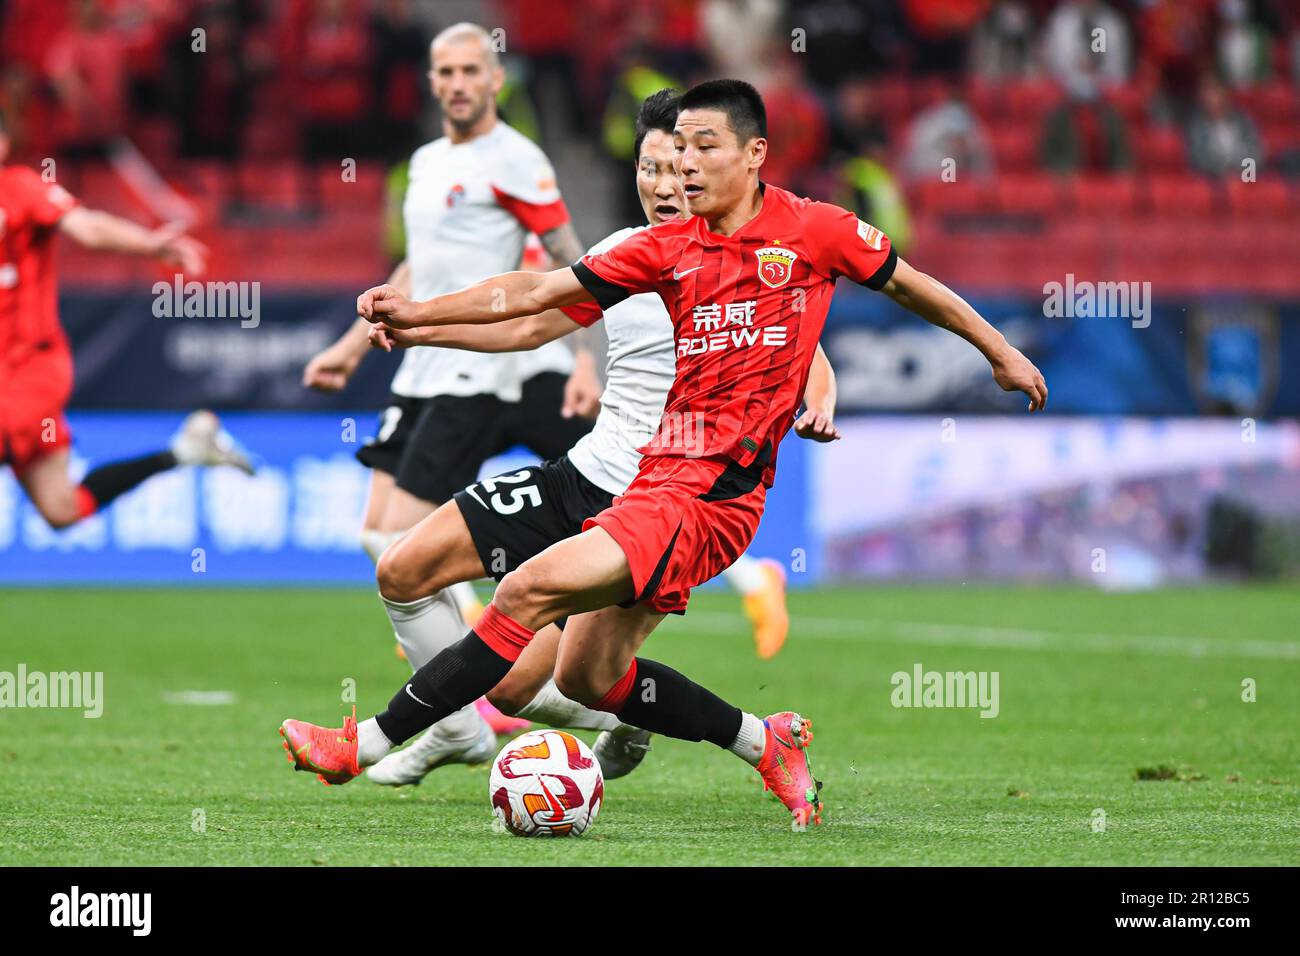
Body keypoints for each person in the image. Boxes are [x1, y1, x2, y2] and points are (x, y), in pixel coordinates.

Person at [282, 79, 1047, 828]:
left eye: (700, 147)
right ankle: (763, 740)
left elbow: (910, 287)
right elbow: (530, 298)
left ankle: (366, 742)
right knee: (586, 675)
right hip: (648, 479)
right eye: (672, 150)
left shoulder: (815, 230)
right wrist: (419, 314)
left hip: (710, 496)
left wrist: (999, 351)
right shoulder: (662, 247)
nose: (681, 165)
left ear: (753, 154)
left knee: (524, 595)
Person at [358, 89, 830, 787]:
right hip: (586, 475)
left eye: (678, 168)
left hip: (663, 505)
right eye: (649, 168)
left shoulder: (751, 262)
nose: (664, 185)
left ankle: (735, 734)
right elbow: (526, 324)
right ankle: (531, 724)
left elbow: (809, 352)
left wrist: (820, 399)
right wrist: (418, 327)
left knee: (574, 672)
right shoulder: (621, 254)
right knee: (496, 668)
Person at [301, 22, 602, 654]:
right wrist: (350, 348)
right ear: (431, 81)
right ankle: (479, 665)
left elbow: (569, 264)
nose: (458, 83)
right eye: (446, 72)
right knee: (378, 537)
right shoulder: (426, 162)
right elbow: (419, 269)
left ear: (496, 78)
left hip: (472, 368)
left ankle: (473, 686)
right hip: (419, 369)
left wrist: (583, 359)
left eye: (471, 71)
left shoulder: (516, 159)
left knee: (408, 549)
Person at [0, 110, 250, 531]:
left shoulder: (19, 188)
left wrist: (150, 245)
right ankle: (184, 452)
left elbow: (89, 228)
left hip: (27, 371)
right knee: (62, 508)